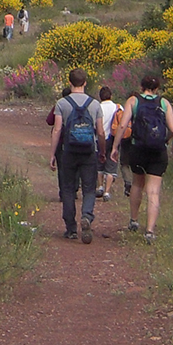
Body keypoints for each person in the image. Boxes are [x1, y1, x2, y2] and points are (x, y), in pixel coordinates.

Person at [116, 74, 173, 242]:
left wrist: (115, 146)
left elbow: (123, 124)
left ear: (141, 86)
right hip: (158, 151)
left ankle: (134, 220)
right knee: (153, 191)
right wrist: (165, 140)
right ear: (157, 88)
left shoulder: (133, 101)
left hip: (138, 148)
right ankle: (149, 230)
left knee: (137, 183)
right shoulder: (164, 103)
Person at [50, 68, 101, 243]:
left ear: (70, 82)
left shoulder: (62, 104)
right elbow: (100, 132)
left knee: (68, 188)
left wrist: (52, 154)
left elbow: (57, 130)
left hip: (69, 151)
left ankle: (71, 228)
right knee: (89, 188)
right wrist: (102, 151)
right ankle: (86, 215)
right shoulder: (95, 104)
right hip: (89, 151)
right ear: (85, 82)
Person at [94, 85, 121, 201]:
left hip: (100, 138)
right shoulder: (118, 107)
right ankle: (107, 191)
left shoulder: (98, 107)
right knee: (111, 164)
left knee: (99, 163)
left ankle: (99, 186)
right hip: (114, 138)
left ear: (100, 97)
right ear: (111, 96)